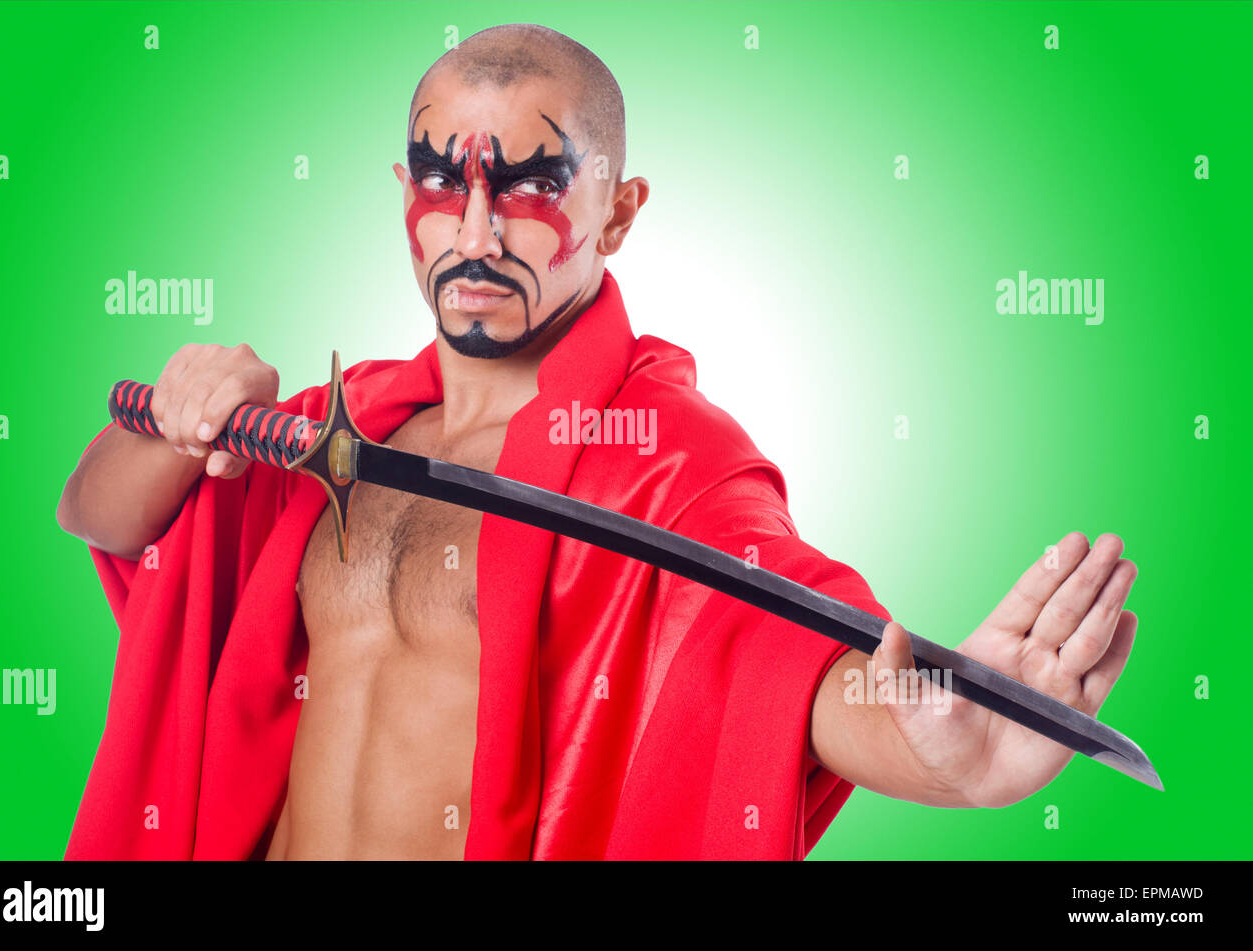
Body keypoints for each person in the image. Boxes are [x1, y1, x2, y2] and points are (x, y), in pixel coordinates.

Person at [57, 23, 1140, 860]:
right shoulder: (330, 432)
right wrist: (186, 412)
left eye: (529, 189)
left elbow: (779, 649)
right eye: (442, 182)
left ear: (616, 214)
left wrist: (938, 752)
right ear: (403, 194)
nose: (474, 235)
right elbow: (101, 516)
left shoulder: (663, 453)